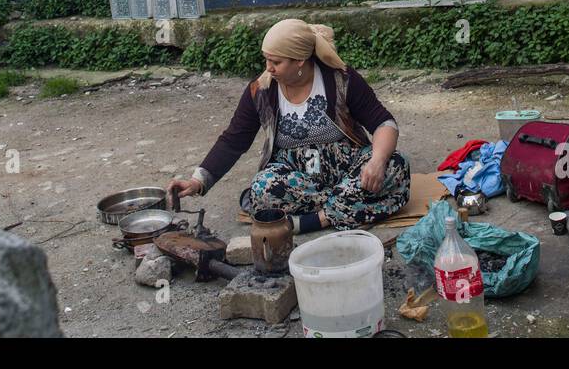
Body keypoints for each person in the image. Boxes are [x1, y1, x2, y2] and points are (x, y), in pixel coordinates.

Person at [168, 18, 410, 233]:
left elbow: (383, 123)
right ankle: (347, 206)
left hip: (345, 167)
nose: (268, 68)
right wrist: (198, 181)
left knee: (395, 165)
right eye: (266, 60)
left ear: (300, 61)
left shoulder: (340, 80)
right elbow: (234, 139)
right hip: (297, 177)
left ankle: (315, 219)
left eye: (276, 62)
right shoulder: (261, 90)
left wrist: (377, 162)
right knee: (262, 189)